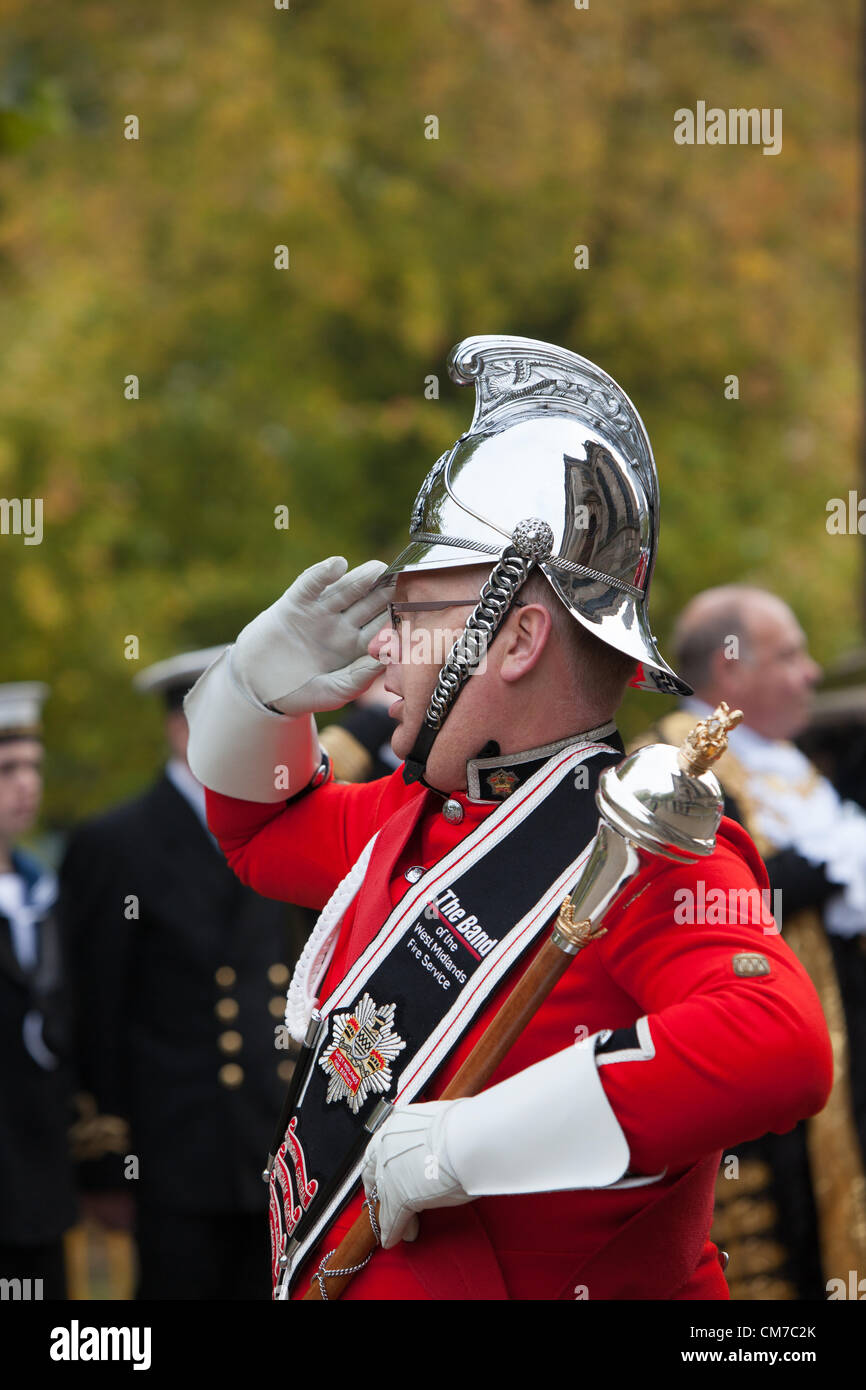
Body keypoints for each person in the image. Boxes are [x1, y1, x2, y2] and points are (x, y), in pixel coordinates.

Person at [185, 334, 832, 1301]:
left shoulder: (647, 845)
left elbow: (779, 1045)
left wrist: (471, 1142)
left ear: (519, 636)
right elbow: (257, 834)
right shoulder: (419, 811)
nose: (384, 647)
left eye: (415, 610)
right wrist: (250, 691)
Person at [633, 584, 866, 1299]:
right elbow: (705, 897)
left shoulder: (793, 764)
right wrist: (823, 872)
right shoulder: (676, 761)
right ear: (730, 671)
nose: (809, 675)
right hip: (751, 1055)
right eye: (790, 656)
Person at [59, 648, 306, 1300]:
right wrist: (107, 1166)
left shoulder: (277, 821)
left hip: (268, 1143)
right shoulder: (114, 844)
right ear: (181, 726)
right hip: (171, 1152)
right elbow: (95, 1012)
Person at [0, 682, 77, 1300]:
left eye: (33, 767)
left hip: (37, 1188)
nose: (26, 783)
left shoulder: (43, 893)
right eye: (7, 769)